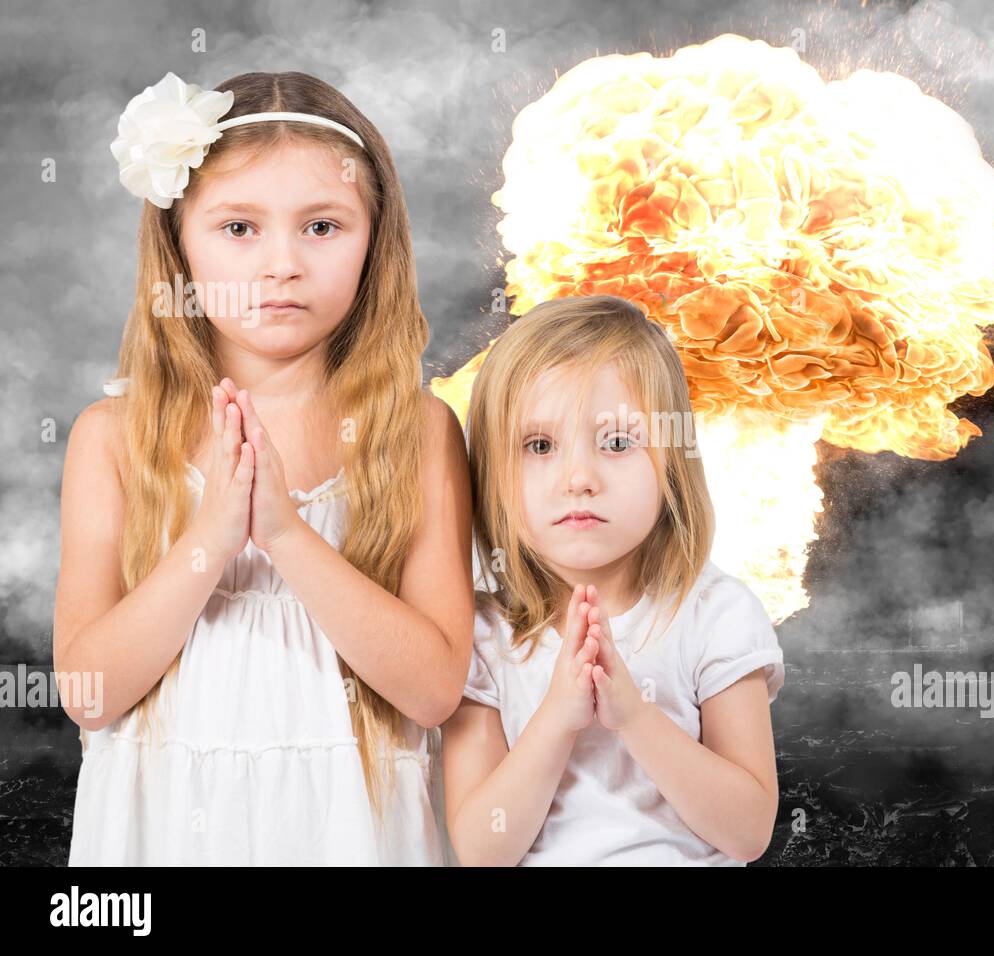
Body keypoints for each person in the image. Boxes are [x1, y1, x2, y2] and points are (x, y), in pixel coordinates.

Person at [54, 71, 473, 865]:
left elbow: (433, 689)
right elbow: (89, 695)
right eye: (239, 228)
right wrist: (212, 535)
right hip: (167, 833)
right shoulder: (111, 438)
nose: (281, 264)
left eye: (322, 227)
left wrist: (285, 534)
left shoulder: (415, 433)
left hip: (353, 830)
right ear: (179, 243)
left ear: (374, 241)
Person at [442, 294, 784, 865]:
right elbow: (482, 847)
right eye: (539, 445)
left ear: (671, 461)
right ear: (494, 473)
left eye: (618, 443)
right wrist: (557, 718)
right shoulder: (482, 634)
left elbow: (748, 831)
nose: (579, 477)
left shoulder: (715, 615)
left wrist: (634, 716)